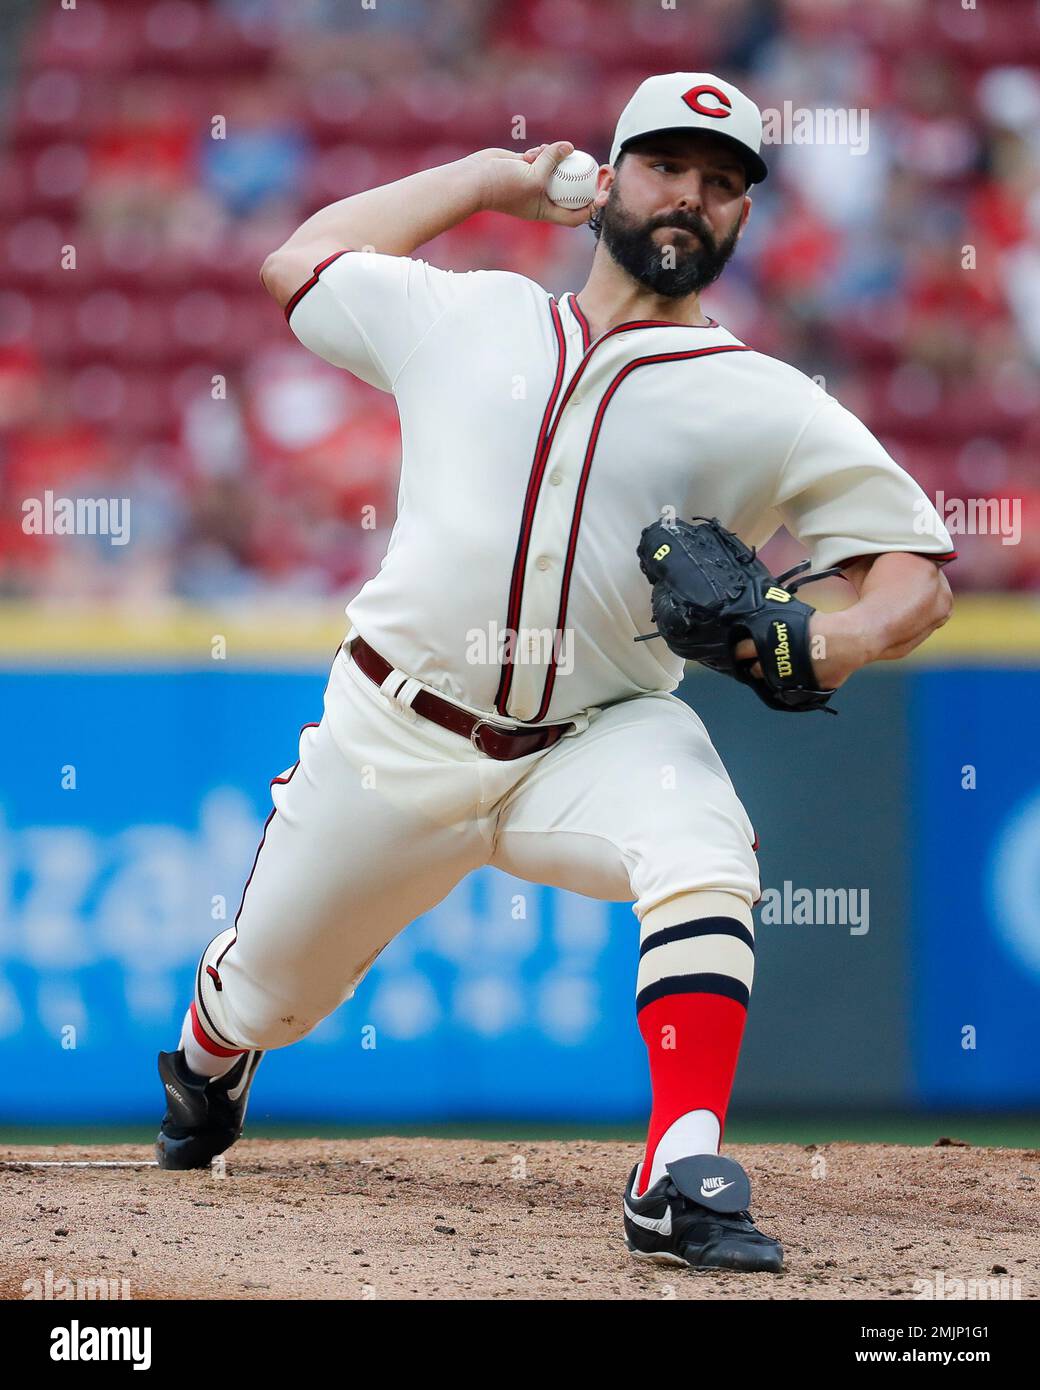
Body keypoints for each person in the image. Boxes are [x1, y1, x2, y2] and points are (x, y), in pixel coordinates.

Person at [155, 73, 954, 1273]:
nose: (690, 195)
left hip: (597, 735)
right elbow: (299, 261)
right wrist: (488, 181)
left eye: (722, 182)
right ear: (606, 182)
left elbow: (916, 577)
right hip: (394, 737)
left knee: (703, 842)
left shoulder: (766, 402)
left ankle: (676, 1168)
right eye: (666, 166)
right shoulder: (465, 316)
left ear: (743, 219)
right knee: (267, 999)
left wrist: (833, 636)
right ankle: (212, 1056)